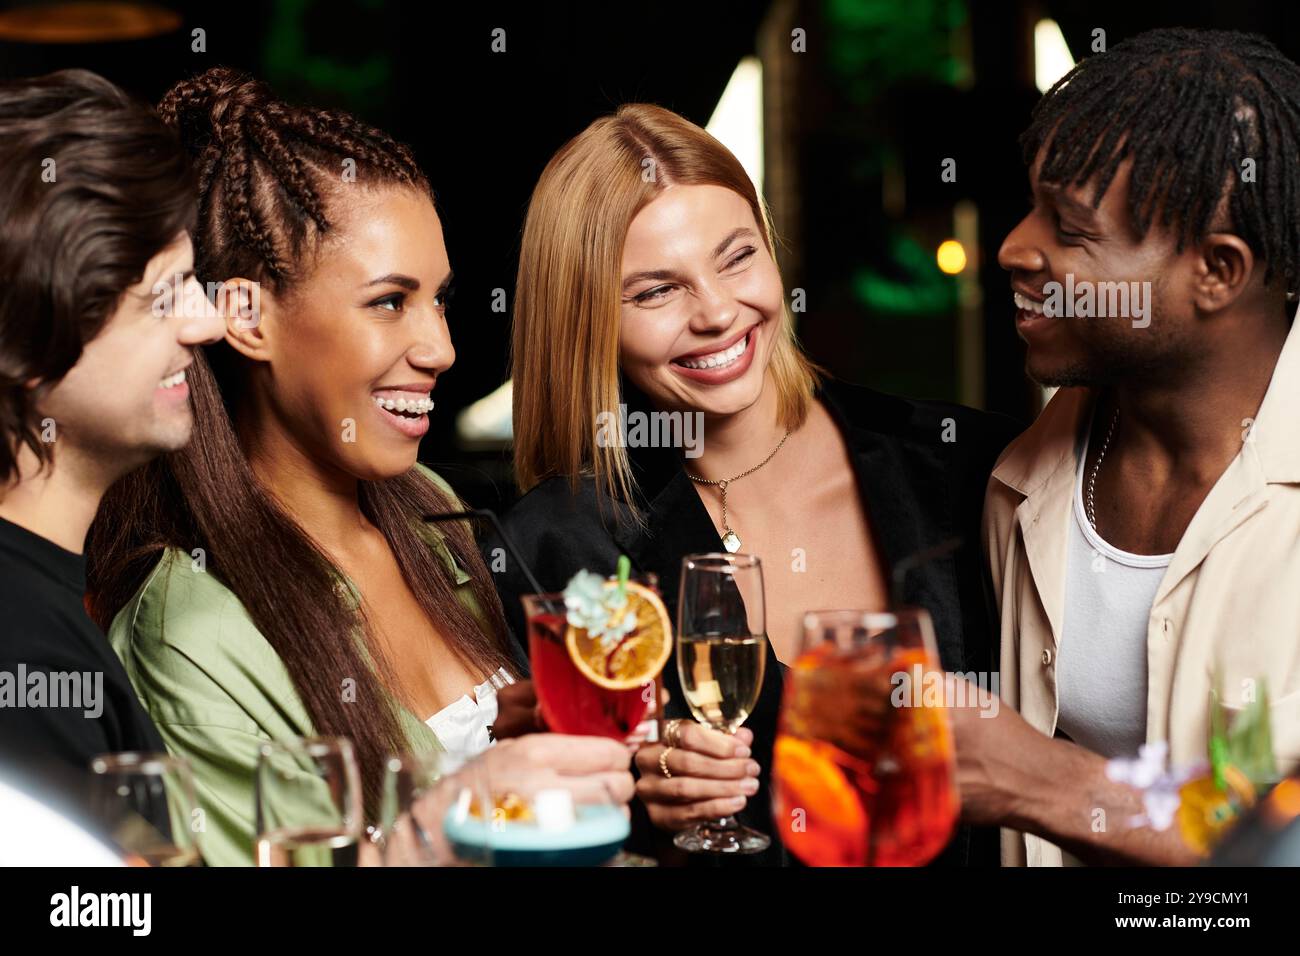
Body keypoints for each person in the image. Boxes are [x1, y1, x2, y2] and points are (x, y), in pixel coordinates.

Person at [490, 103, 1021, 864]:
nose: (717, 312)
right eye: (654, 291)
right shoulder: (557, 544)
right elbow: (543, 816)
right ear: (585, 324)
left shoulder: (962, 461)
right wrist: (645, 799)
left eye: (737, 257)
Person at [85, 67, 575, 865]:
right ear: (246, 320)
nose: (443, 348)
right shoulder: (191, 633)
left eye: (440, 299)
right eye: (389, 301)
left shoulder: (429, 507)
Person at [966, 28, 1300, 866]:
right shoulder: (1021, 479)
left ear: (1217, 272)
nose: (1012, 248)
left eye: (1070, 232)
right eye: (1031, 205)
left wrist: (1041, 779)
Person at [0, 70, 224, 817]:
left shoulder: (45, 603)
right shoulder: (24, 654)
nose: (207, 324)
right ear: (31, 347)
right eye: (165, 296)